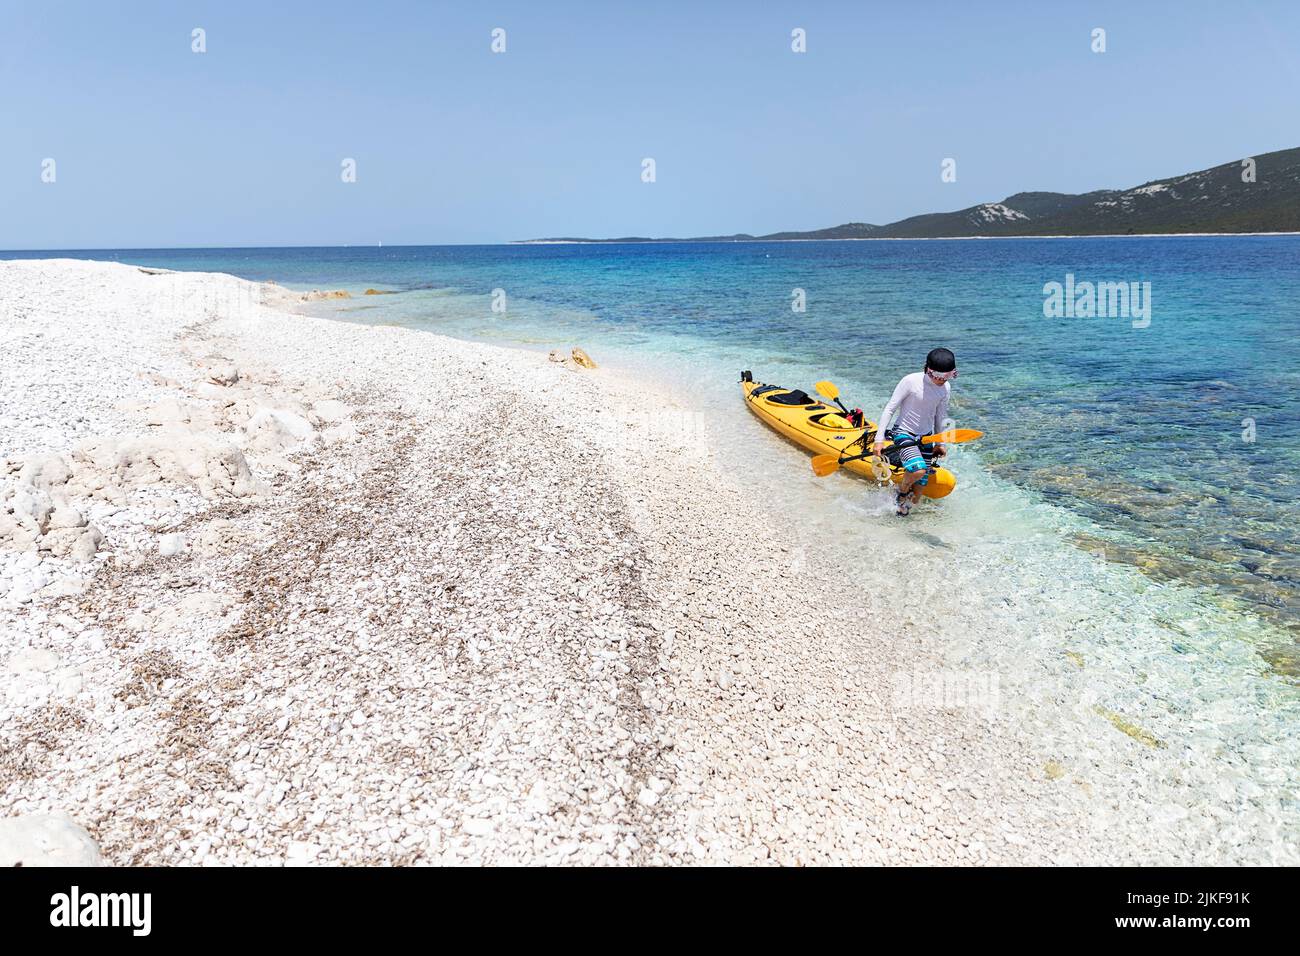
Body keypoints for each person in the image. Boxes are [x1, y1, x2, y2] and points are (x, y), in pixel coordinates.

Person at [871, 348, 957, 515]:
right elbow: (890, 408)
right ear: (928, 370)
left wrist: (940, 443)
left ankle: (901, 516)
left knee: (918, 494)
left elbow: (940, 417)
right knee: (918, 471)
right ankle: (901, 489)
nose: (941, 381)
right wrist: (878, 439)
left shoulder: (945, 388)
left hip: (926, 437)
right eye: (938, 377)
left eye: (946, 377)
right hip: (904, 432)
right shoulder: (911, 381)